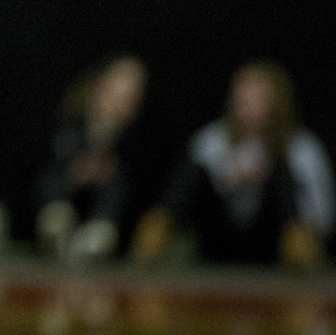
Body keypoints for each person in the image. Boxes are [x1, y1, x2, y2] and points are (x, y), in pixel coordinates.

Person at [133, 61, 334, 268]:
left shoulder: (301, 147)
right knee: (194, 171)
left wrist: (266, 179)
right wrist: (227, 181)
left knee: (282, 174)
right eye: (243, 98)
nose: (247, 106)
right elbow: (186, 193)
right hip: (219, 241)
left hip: (271, 247)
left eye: (258, 98)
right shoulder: (212, 140)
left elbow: (324, 216)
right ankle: (150, 247)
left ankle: (299, 259)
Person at [33, 54, 148, 261]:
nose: (121, 106)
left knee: (101, 234)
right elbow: (38, 179)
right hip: (54, 226)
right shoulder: (66, 129)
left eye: (130, 99)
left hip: (103, 238)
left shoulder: (134, 147)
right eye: (117, 96)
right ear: (100, 88)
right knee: (55, 216)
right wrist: (74, 175)